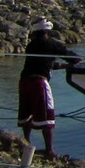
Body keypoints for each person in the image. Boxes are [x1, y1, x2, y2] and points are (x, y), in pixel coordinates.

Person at [19, 17, 73, 158]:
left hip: (24, 81)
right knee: (46, 115)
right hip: (39, 82)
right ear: (48, 32)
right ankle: (49, 150)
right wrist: (79, 62)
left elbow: (45, 63)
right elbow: (70, 56)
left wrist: (63, 66)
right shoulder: (52, 43)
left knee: (27, 113)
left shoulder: (31, 45)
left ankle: (26, 143)